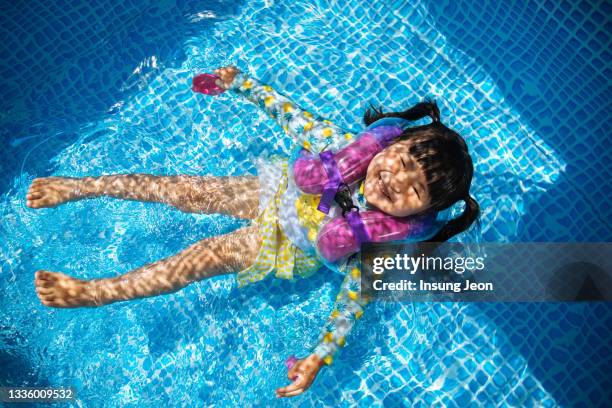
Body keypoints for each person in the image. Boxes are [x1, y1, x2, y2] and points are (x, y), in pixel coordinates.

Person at [26, 66, 479, 397]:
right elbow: (291, 115)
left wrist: (319, 356)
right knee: (182, 191)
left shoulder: (376, 243)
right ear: (390, 144)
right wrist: (240, 83)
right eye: (400, 161)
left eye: (414, 188)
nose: (394, 180)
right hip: (272, 192)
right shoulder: (342, 151)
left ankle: (95, 291)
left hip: (280, 246)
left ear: (423, 212)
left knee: (199, 258)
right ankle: (83, 186)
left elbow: (351, 304)